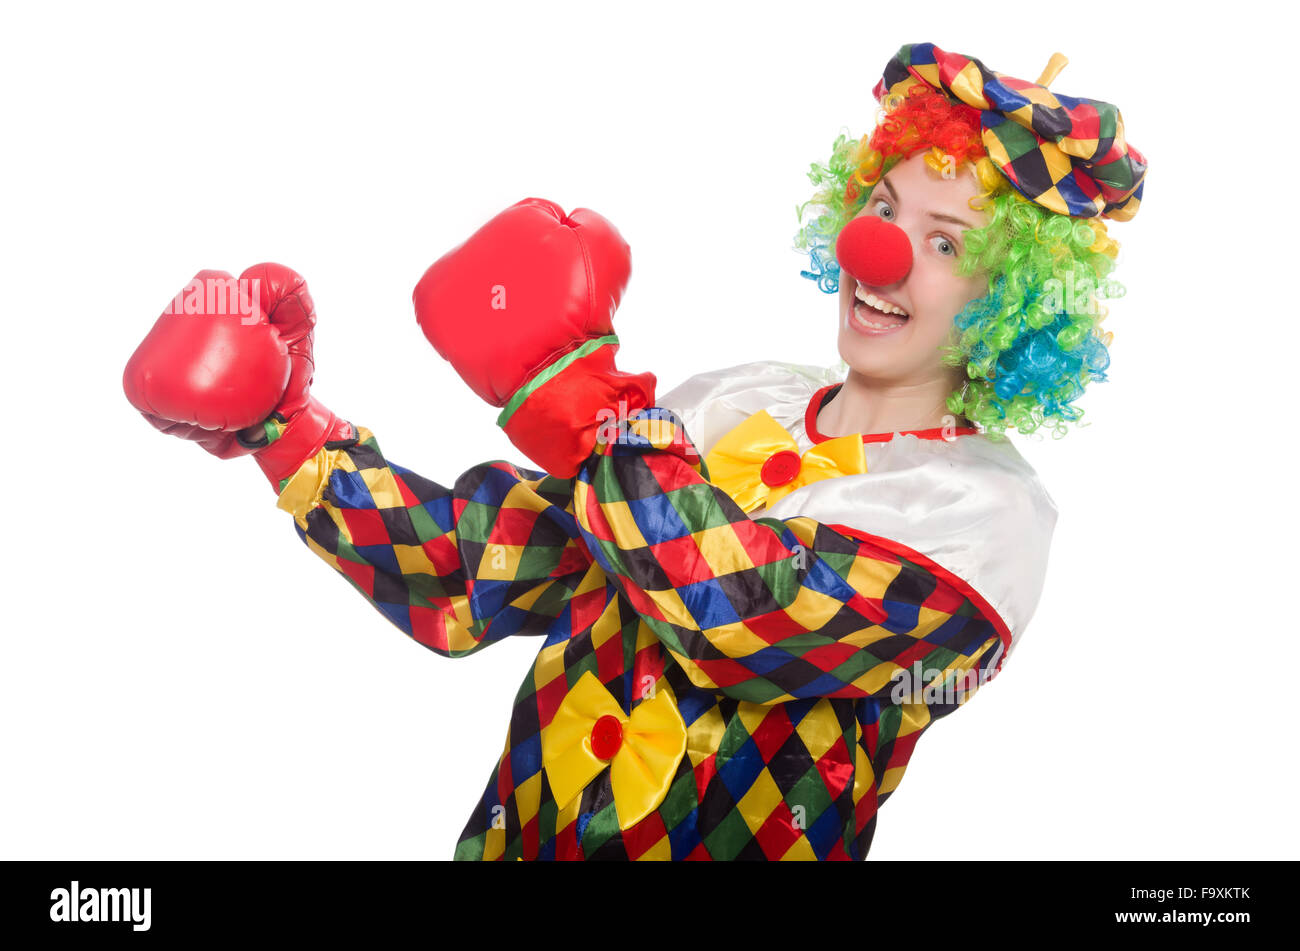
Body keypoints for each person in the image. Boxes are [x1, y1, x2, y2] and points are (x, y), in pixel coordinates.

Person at [122, 42, 1145, 860]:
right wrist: (284, 428)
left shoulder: (981, 518)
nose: (876, 252)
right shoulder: (728, 403)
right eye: (881, 210)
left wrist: (576, 400)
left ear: (1014, 302)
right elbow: (479, 570)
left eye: (945, 241)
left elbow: (733, 610)